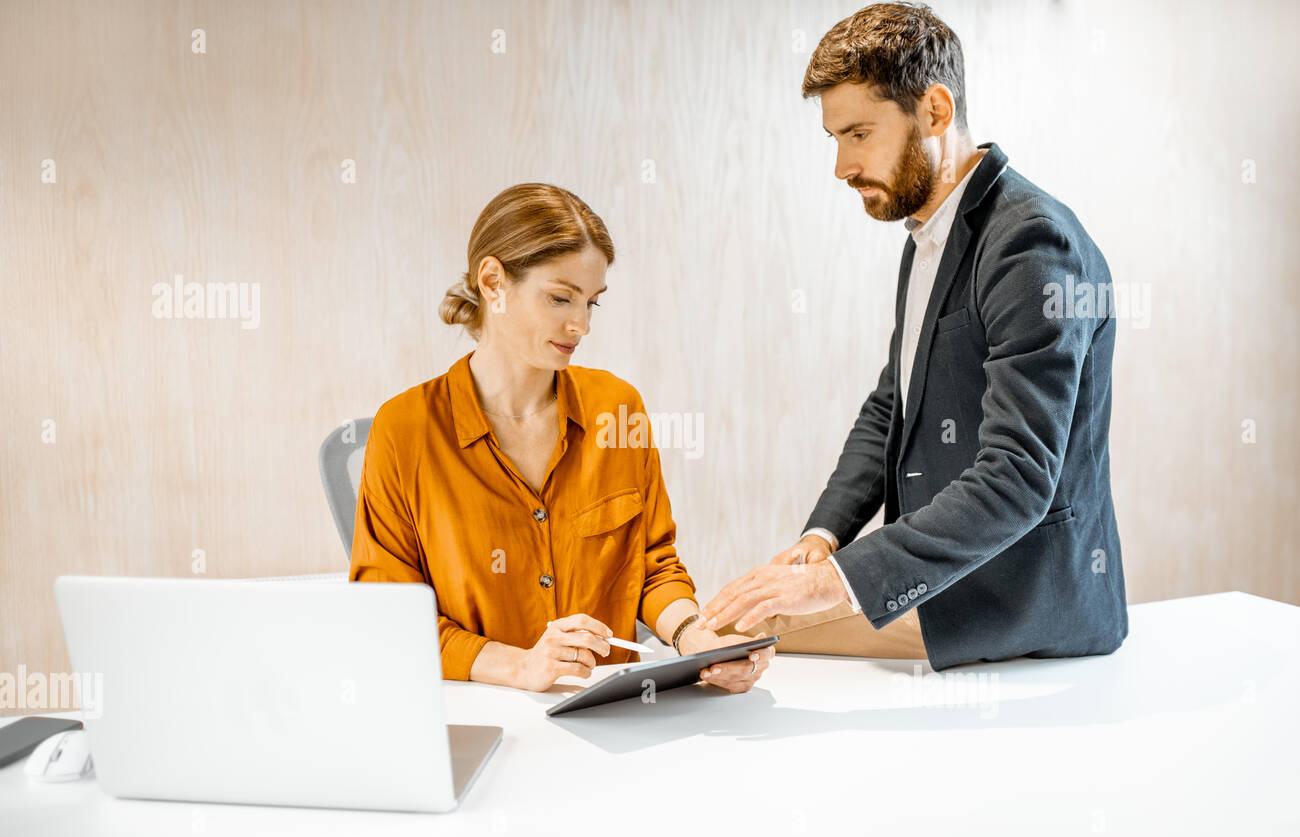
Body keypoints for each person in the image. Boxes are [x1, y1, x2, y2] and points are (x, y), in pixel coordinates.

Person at [700, 2, 1129, 670]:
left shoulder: (1028, 242)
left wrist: (830, 584)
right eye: (833, 138)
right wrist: (823, 536)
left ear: (934, 111)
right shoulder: (929, 233)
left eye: (858, 134)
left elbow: (1018, 477)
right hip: (949, 586)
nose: (840, 166)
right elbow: (893, 405)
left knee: (732, 628)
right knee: (733, 621)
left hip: (1018, 604)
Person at [349, 183, 775, 693]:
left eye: (593, 302)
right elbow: (386, 618)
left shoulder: (618, 410)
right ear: (493, 282)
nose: (581, 325)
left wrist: (693, 636)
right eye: (559, 298)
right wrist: (518, 665)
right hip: (479, 714)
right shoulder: (405, 430)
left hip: (612, 717)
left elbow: (653, 565)